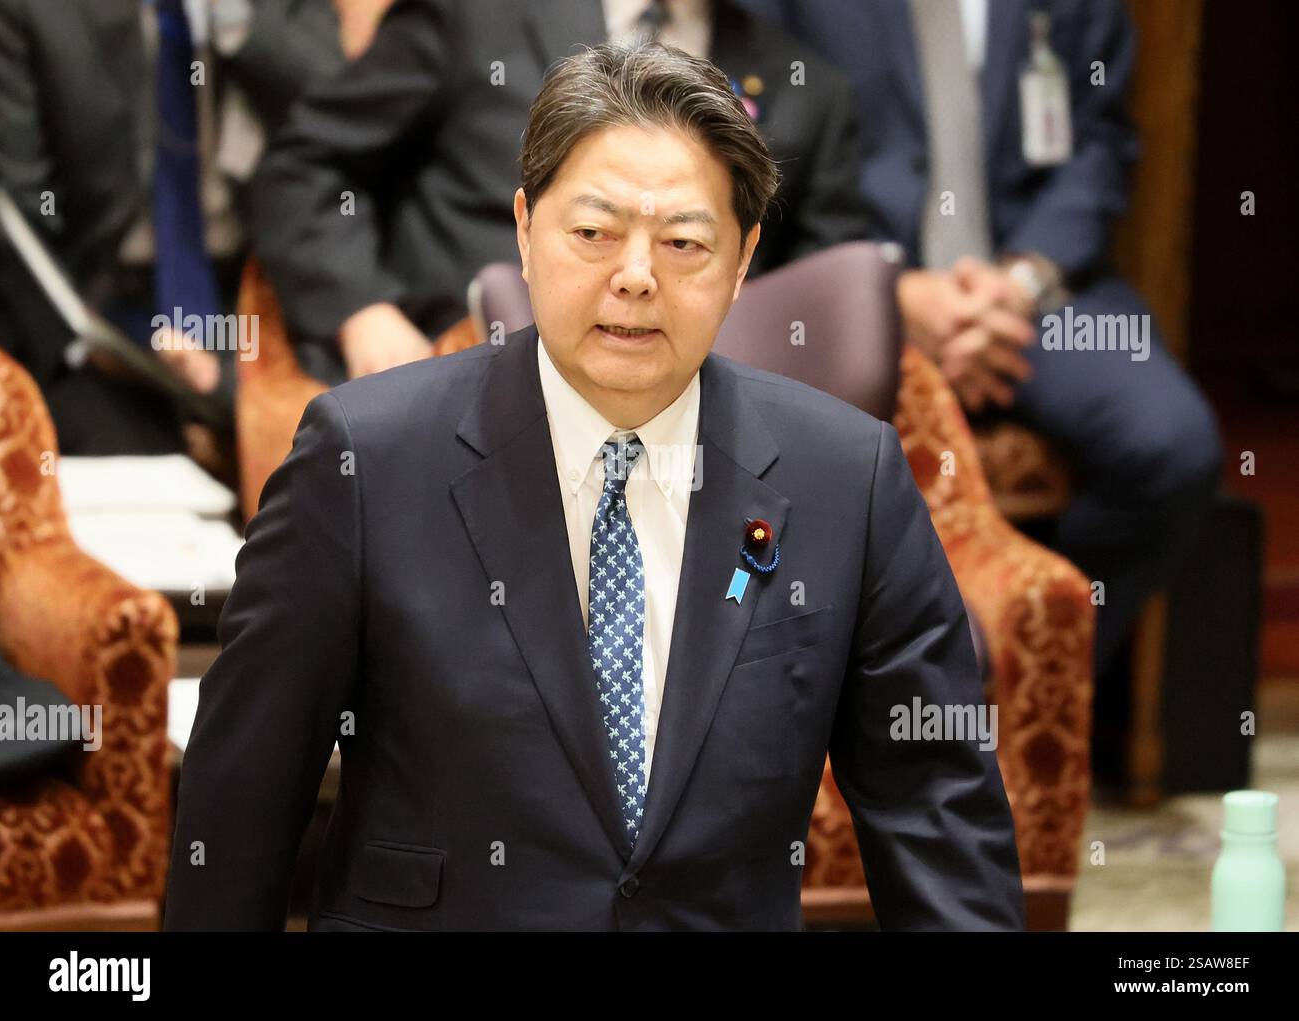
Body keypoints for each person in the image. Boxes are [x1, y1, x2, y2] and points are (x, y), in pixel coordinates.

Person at [163, 42, 1024, 931]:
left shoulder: (850, 478)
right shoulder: (364, 462)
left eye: (685, 242)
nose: (637, 275)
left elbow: (939, 821)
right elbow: (238, 813)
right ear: (526, 232)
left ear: (743, 261)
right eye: (594, 232)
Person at [740, 0, 1224, 681]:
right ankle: (870, 712)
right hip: (847, 285)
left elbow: (1100, 144)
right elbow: (755, 139)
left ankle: (1035, 686)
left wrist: (1016, 284)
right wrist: (887, 291)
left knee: (1173, 445)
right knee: (775, 453)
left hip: (1033, 291)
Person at [251, 0, 875, 385]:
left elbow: (828, 297)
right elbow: (307, 164)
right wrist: (364, 312)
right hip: (464, 370)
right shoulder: (474, 14)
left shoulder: (810, 88)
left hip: (692, 414)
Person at [0, 0, 343, 457]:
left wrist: (238, 21)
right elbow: (25, 218)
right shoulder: (32, 12)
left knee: (346, 446)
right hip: (107, 311)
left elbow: (344, 117)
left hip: (257, 300)